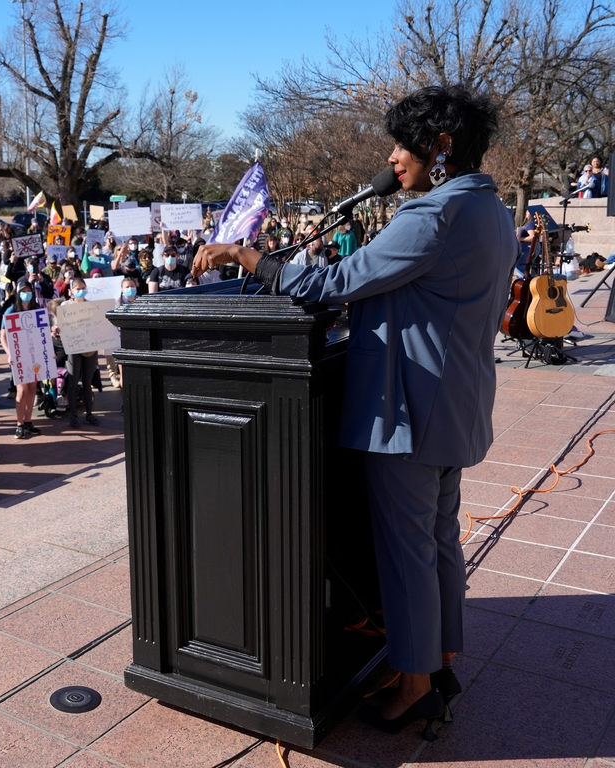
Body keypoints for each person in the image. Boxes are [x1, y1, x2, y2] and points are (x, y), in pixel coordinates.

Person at [194, 84, 512, 734]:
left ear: (441, 147)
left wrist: (245, 255)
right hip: (455, 408)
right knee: (438, 545)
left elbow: (334, 281)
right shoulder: (491, 210)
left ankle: (416, 686)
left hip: (409, 417)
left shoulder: (433, 217)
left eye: (405, 143)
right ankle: (436, 659)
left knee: (408, 556)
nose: (395, 157)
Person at [0, 283, 43, 439]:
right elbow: (3, 336)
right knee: (22, 390)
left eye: (29, 291)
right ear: (17, 293)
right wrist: (9, 353)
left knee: (32, 388)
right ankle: (19, 424)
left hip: (34, 354)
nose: (26, 294)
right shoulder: (11, 311)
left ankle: (28, 421)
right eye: (23, 291)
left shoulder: (37, 310)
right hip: (19, 355)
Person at [57, 278, 101, 428]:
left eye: (83, 287)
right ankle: (74, 415)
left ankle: (89, 414)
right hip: (74, 348)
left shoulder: (92, 306)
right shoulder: (66, 306)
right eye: (78, 288)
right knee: (73, 382)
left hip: (89, 349)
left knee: (87, 383)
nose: (81, 291)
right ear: (71, 291)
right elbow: (60, 325)